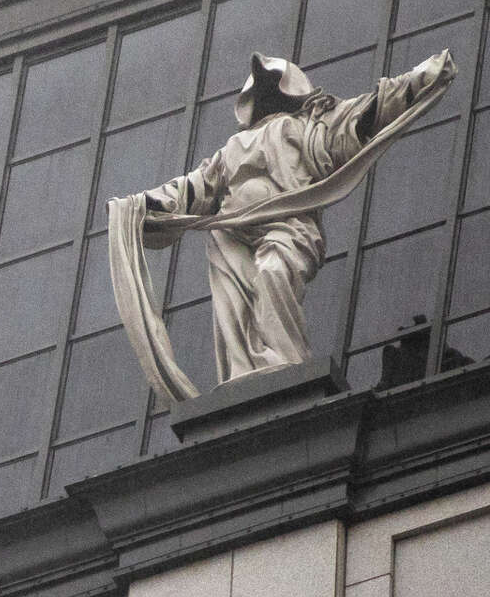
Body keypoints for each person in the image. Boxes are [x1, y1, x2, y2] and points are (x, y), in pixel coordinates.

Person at [110, 49, 455, 397]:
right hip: (235, 231)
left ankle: (284, 361)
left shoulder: (307, 126)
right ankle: (246, 372)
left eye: (275, 84)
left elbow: (364, 114)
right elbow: (192, 188)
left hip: (287, 224)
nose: (269, 93)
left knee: (272, 272)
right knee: (236, 307)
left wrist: (418, 79)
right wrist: (143, 205)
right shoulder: (233, 146)